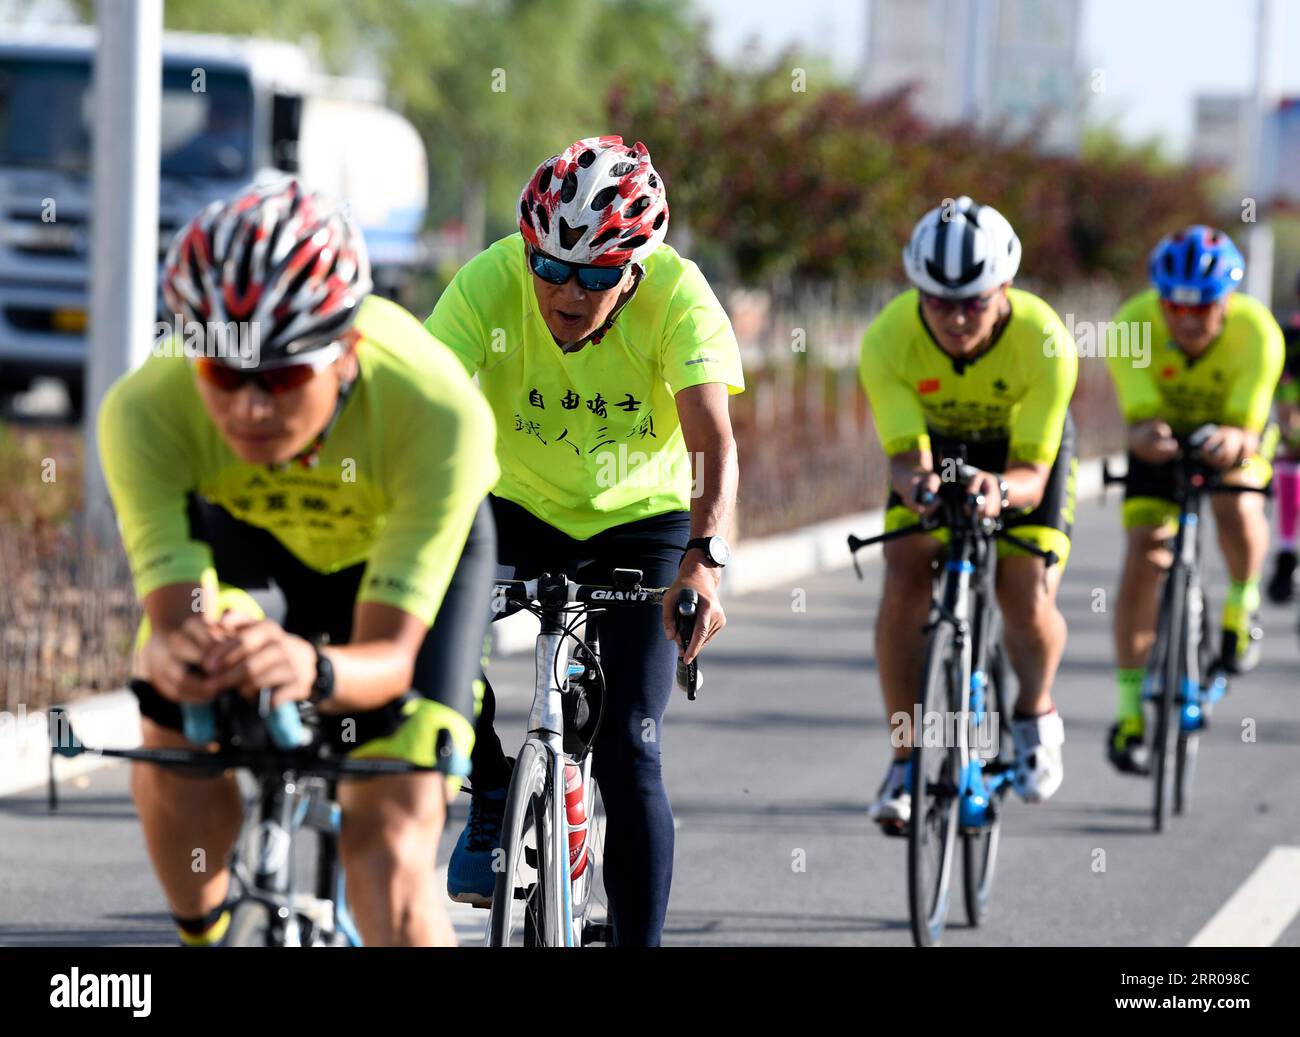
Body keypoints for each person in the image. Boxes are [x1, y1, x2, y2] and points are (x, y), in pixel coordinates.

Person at [97, 180, 500, 946]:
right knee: (168, 705)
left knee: (386, 850)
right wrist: (186, 651)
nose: (250, 407)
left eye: (281, 378)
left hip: (391, 570)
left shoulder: (437, 412)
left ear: (346, 351)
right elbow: (173, 621)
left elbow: (386, 657)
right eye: (223, 375)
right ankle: (207, 929)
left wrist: (313, 670)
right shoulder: (145, 409)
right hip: (252, 544)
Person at [425, 135, 744, 946]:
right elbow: (423, 411)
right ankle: (492, 784)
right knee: (424, 650)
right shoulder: (490, 280)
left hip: (643, 517)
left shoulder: (680, 297)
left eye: (599, 275)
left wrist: (703, 560)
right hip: (511, 502)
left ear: (636, 269)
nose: (569, 292)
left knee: (631, 752)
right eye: (553, 268)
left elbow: (711, 437)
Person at [858, 196, 1077, 831]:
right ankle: (904, 760)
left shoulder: (1045, 340)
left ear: (1004, 288)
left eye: (974, 302)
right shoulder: (889, 338)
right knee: (903, 577)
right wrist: (923, 485)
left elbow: (1034, 480)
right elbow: (904, 461)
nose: (955, 319)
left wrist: (998, 492)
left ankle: (1035, 711)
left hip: (1021, 460)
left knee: (1024, 591)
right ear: (916, 291)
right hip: (938, 456)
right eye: (937, 301)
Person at [1104, 225, 1283, 775]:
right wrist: (1147, 437)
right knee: (1144, 553)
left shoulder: (1258, 332)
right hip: (1160, 440)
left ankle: (1240, 604)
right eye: (1173, 308)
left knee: (1237, 502)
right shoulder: (1133, 322)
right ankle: (1132, 712)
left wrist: (1235, 440)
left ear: (1227, 300)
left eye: (1201, 309)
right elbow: (1137, 416)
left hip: (1232, 434)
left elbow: (1247, 423)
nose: (1185, 321)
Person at [1264, 272, 1300, 604]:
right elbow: (1286, 393)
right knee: (1289, 466)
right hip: (1295, 421)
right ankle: (1286, 554)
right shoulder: (1290, 336)